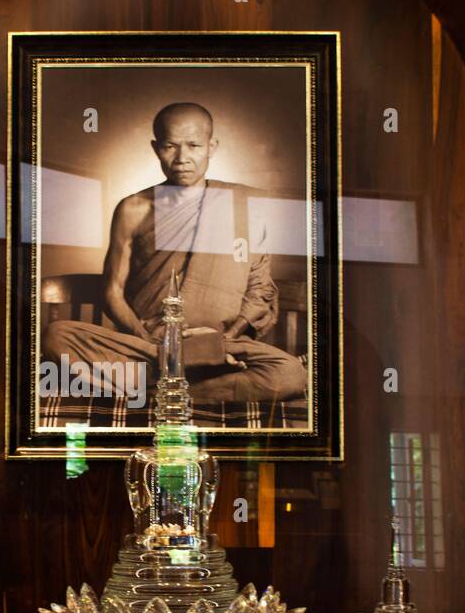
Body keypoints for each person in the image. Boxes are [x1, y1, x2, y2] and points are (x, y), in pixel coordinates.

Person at [42, 101, 307, 404]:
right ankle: (179, 383)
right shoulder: (134, 209)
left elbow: (259, 291)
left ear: (212, 146)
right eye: (171, 146)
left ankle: (162, 392)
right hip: (147, 348)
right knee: (56, 336)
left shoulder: (246, 205)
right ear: (156, 148)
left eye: (194, 145)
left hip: (221, 348)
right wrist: (153, 343)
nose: (182, 158)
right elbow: (112, 291)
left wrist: (223, 340)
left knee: (290, 373)